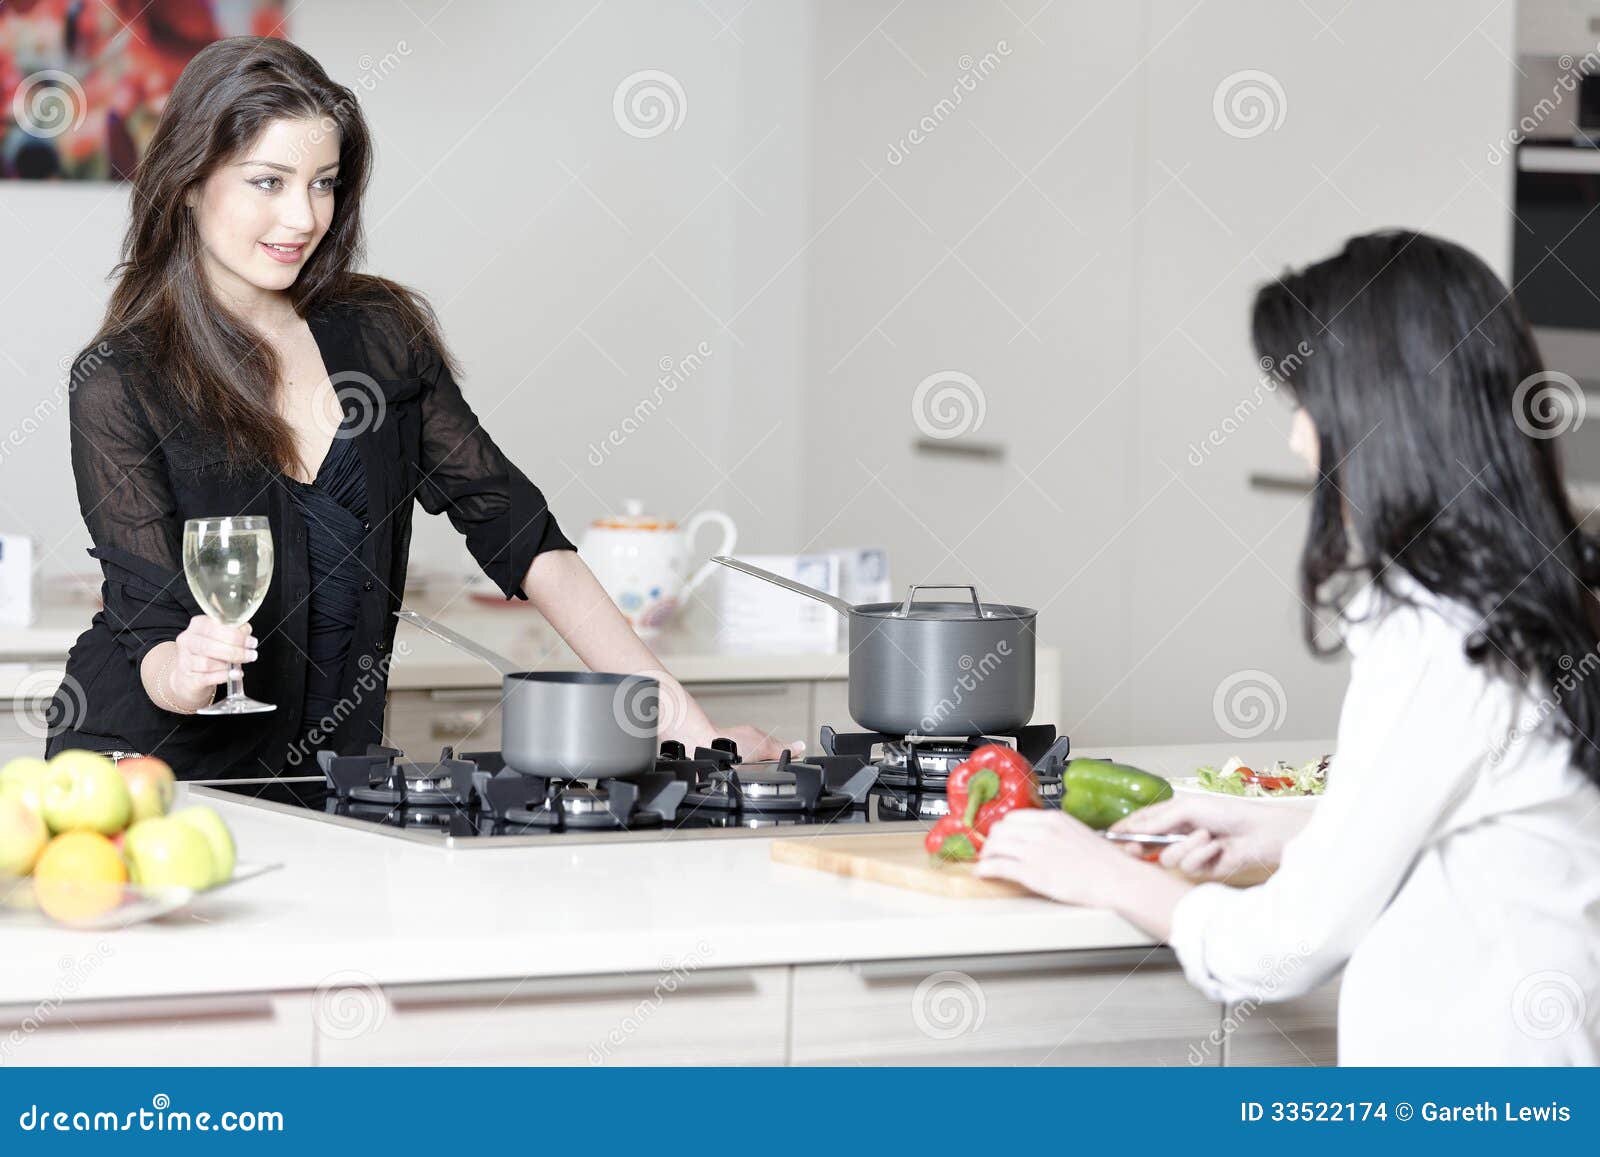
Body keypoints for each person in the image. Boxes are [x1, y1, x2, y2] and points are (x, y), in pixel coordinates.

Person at [47, 36, 792, 777]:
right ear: (188, 183)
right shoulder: (122, 380)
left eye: (324, 183)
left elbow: (526, 538)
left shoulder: (379, 336)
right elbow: (151, 634)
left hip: (333, 776)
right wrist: (187, 670)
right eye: (268, 181)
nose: (304, 217)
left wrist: (693, 731)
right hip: (151, 768)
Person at [977, 230, 1600, 1064]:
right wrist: (1297, 829)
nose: (1299, 440)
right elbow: (1495, 822)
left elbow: (1285, 947)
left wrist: (1105, 875)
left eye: (1308, 404)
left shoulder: (1440, 634)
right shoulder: (1528, 597)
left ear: (1377, 411)